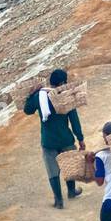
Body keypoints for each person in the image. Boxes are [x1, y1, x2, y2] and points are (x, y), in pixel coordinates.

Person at [23, 69, 85, 209]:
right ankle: (71, 191)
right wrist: (80, 139)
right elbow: (74, 120)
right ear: (62, 82)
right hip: (65, 139)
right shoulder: (65, 96)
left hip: (48, 141)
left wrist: (32, 94)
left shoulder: (40, 96)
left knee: (52, 170)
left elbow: (27, 110)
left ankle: (58, 200)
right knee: (69, 165)